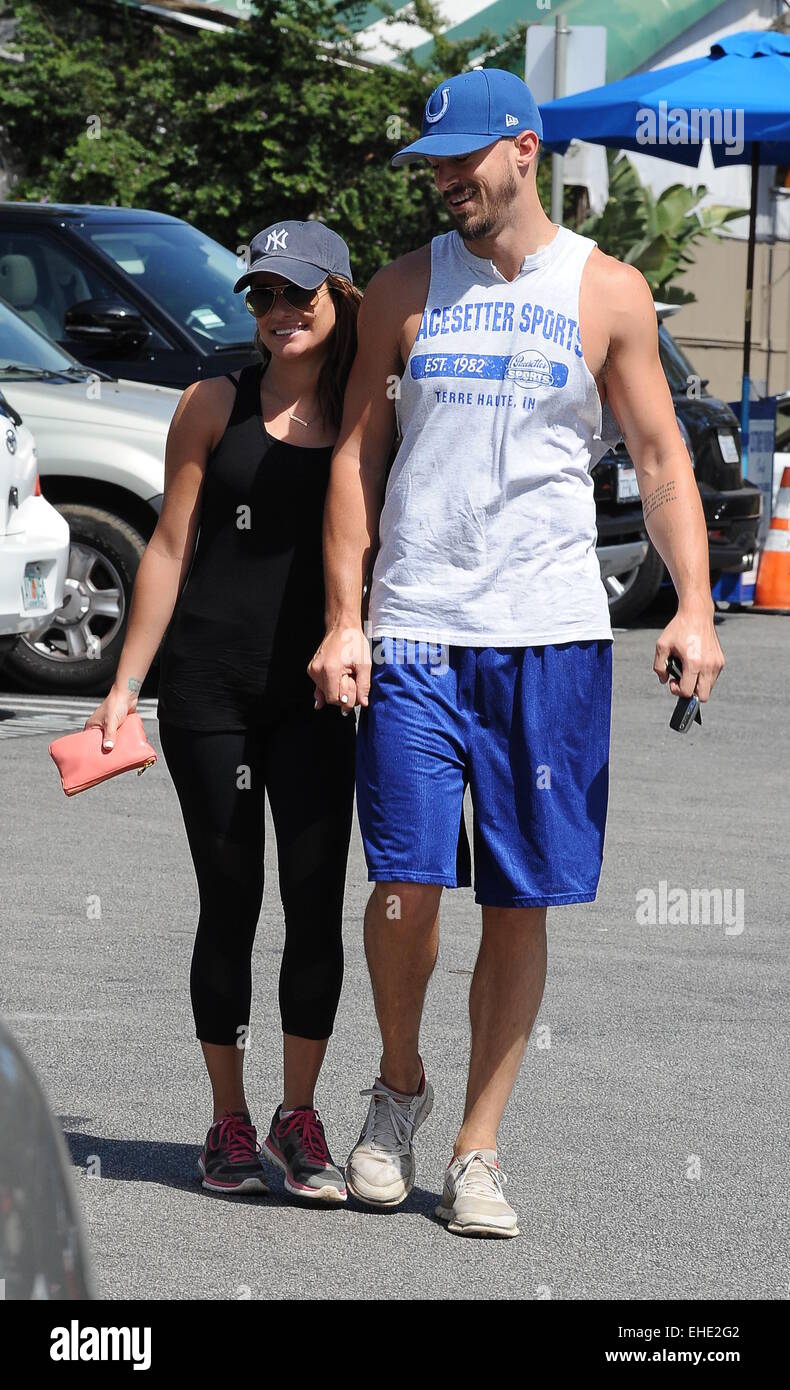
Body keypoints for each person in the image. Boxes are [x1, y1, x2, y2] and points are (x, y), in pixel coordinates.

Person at [309, 70, 725, 1238]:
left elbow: (658, 459)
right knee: (401, 883)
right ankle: (397, 1087)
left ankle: (477, 1146)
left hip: (549, 638)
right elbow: (356, 459)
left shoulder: (606, 291)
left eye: (463, 161)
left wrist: (692, 604)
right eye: (431, 166)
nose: (445, 181)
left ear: (524, 150)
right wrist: (347, 620)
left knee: (520, 899)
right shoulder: (400, 290)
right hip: (419, 631)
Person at [86, 220, 360, 1202]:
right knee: (231, 902)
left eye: (299, 293)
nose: (280, 312)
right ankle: (229, 1122)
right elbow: (166, 545)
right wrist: (125, 683)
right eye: (262, 295)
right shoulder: (213, 400)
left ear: (338, 294)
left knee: (317, 905)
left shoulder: (369, 410)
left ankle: (299, 1114)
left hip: (321, 691)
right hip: (210, 687)